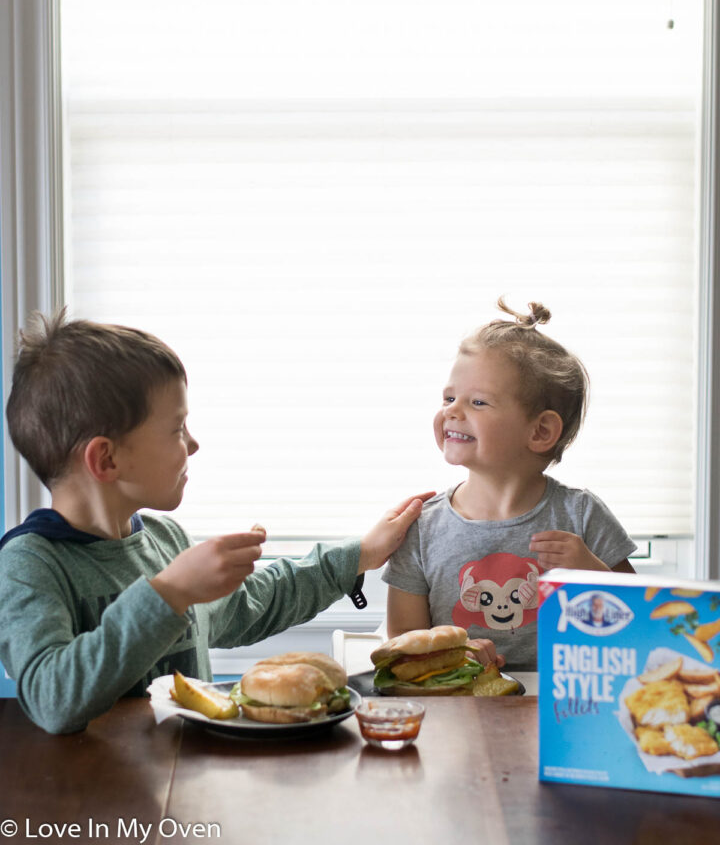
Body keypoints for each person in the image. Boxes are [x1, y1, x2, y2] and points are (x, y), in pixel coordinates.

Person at [0, 310, 431, 734]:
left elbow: (254, 602)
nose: (194, 443)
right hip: (90, 799)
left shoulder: (165, 541)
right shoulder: (29, 565)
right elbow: (52, 699)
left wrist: (361, 554)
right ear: (106, 458)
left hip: (180, 785)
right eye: (177, 428)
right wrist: (169, 593)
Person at [382, 298, 636, 671]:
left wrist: (592, 572)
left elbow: (636, 625)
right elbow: (402, 641)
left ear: (540, 431)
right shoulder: (421, 528)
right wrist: (455, 658)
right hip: (457, 713)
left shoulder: (581, 515)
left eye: (478, 402)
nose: (452, 411)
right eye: (449, 397)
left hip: (558, 712)